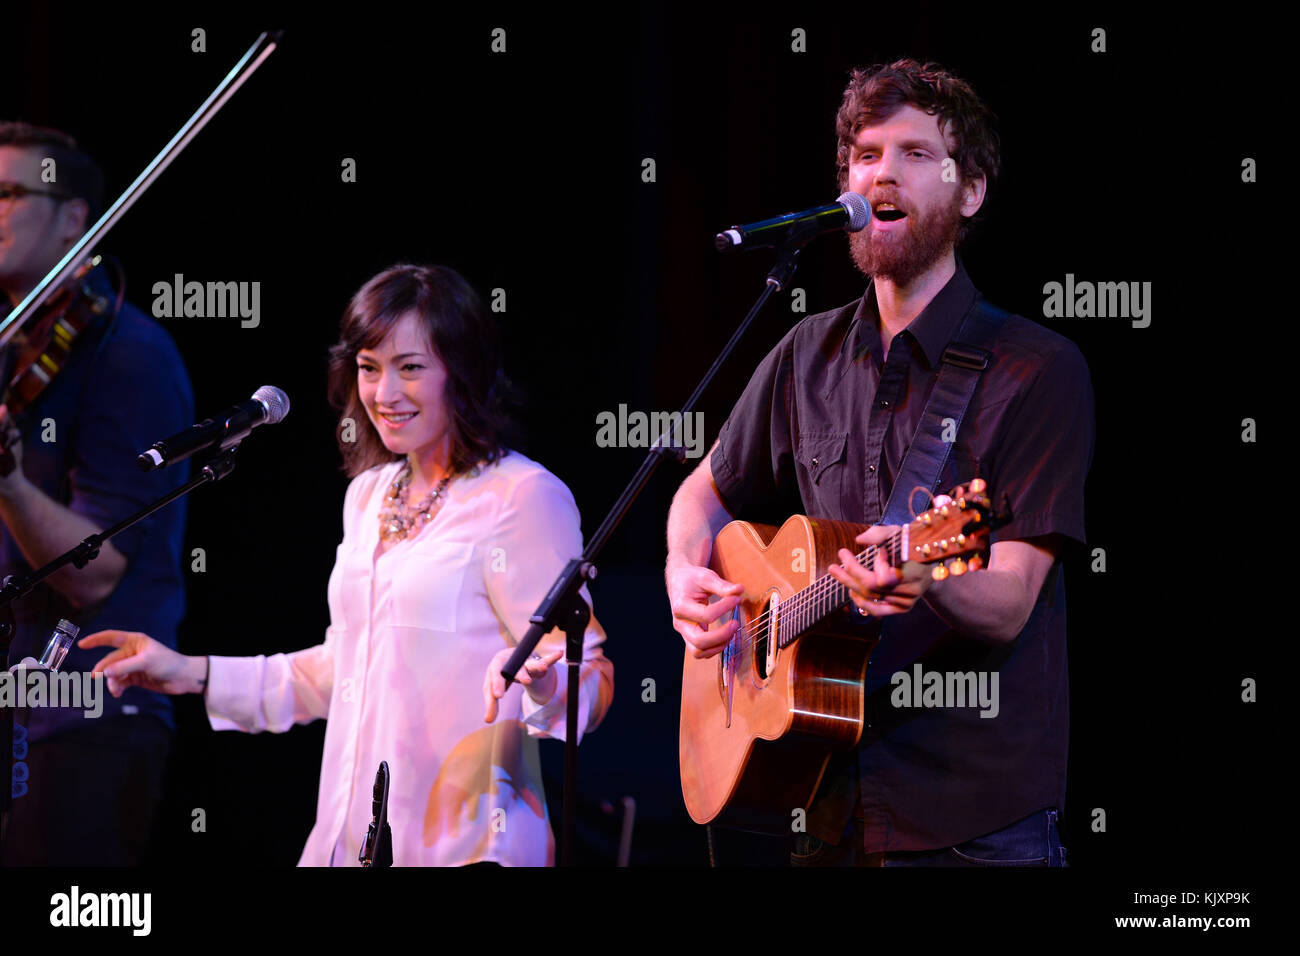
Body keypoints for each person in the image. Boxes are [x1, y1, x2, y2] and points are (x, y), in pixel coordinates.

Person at [666, 59, 1094, 866]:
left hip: (972, 816)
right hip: (824, 802)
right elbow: (700, 495)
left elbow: (1008, 600)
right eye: (865, 154)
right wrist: (683, 574)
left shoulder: (1036, 368)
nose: (883, 172)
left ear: (971, 193)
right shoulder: (804, 353)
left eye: (915, 154)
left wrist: (931, 574)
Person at [82, 263, 614, 866]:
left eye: (410, 367)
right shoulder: (367, 495)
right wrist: (193, 672)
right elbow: (343, 672)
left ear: (462, 374)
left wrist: (543, 683)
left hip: (468, 848)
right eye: (368, 367)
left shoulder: (520, 496)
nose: (384, 394)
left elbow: (590, 679)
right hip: (348, 839)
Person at [0, 121, 194, 866]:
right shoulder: (18, 351)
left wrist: (9, 481)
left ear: (75, 216)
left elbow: (95, 569)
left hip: (87, 708)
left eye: (10, 193)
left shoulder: (127, 356)